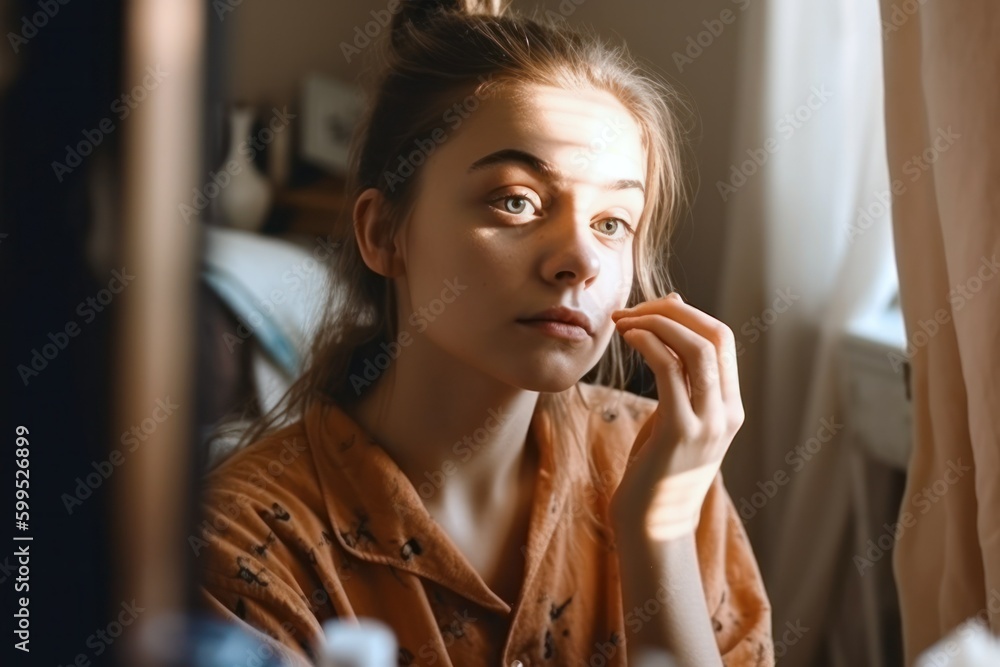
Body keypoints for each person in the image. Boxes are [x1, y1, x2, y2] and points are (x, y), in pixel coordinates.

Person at [194, 1, 774, 665]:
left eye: (614, 222)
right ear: (384, 233)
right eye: (517, 200)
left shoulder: (665, 462)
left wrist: (660, 533)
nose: (581, 259)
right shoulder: (243, 542)